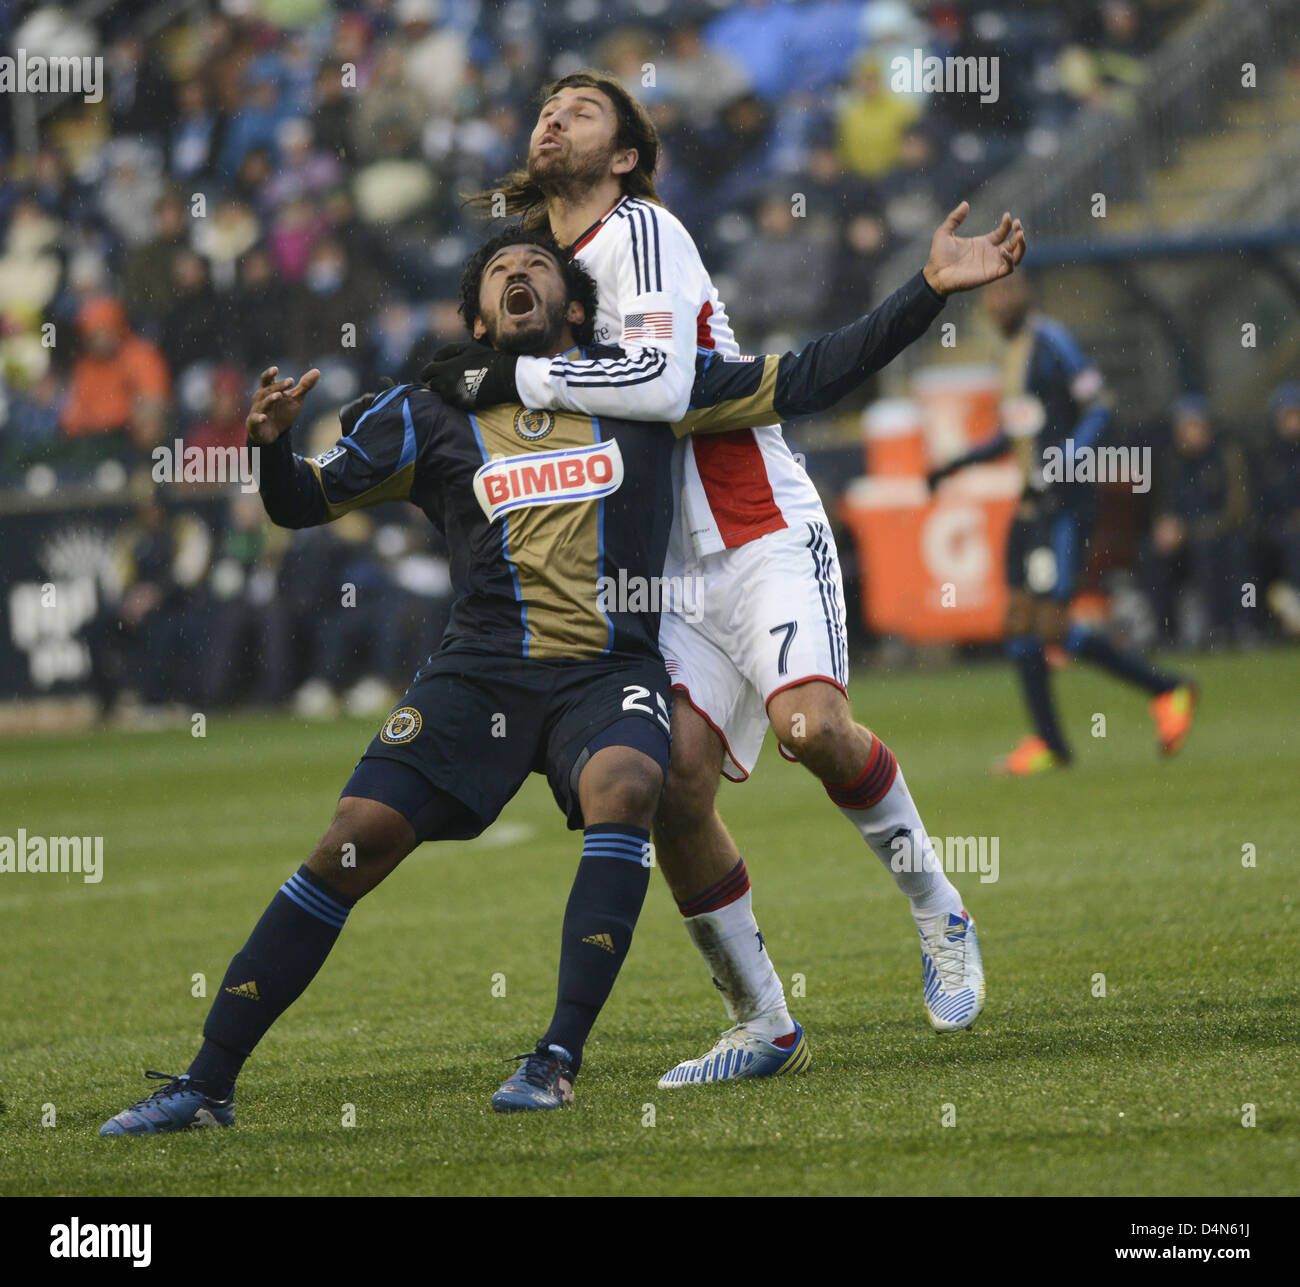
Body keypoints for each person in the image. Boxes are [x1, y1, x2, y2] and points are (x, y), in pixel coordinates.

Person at [98, 217, 950, 1131]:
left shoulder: (646, 391)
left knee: (630, 783)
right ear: (476, 319)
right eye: (499, 269)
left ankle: (555, 1058)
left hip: (605, 669)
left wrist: (930, 289)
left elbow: (811, 373)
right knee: (354, 834)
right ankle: (205, 1083)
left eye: (536, 264)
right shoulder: (424, 415)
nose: (516, 273)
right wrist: (268, 448)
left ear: (574, 306)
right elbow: (303, 501)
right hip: (480, 673)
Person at [426, 72, 1025, 1083]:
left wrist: (503, 375)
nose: (551, 117)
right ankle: (763, 1022)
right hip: (659, 572)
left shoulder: (640, 230)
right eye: (543, 107)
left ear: (624, 154)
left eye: (581, 109)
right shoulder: (537, 272)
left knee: (811, 730)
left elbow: (662, 386)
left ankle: (937, 906)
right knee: (671, 788)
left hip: (754, 526)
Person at [929, 274, 1195, 772]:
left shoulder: (1053, 342)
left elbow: (1097, 406)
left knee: (1051, 624)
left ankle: (1167, 689)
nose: (998, 302)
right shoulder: (1007, 355)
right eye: (991, 295)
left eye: (1007, 293)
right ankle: (1050, 743)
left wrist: (1067, 458)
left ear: (1026, 295)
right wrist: (956, 464)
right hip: (1029, 505)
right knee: (1019, 624)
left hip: (1065, 506)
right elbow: (1016, 432)